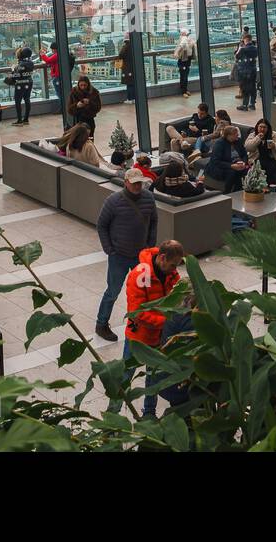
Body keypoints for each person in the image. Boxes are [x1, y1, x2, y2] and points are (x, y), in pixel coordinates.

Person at [121, 240, 185, 418]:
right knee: (125, 376)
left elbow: (179, 295)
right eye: (172, 265)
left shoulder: (171, 274)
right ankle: (113, 412)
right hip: (138, 337)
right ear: (162, 258)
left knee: (153, 376)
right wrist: (168, 323)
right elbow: (137, 313)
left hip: (159, 336)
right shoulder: (139, 275)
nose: (175, 270)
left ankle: (149, 414)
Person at [94, 168, 158, 342]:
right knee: (113, 291)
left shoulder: (149, 198)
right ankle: (101, 323)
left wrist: (150, 247)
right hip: (119, 256)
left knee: (144, 292)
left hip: (141, 257)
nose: (138, 186)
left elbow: (153, 222)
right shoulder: (113, 201)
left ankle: (143, 323)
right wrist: (109, 249)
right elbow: (101, 225)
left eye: (140, 182)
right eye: (134, 182)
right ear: (126, 183)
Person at [203, 124, 249, 194]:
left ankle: (239, 190)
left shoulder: (238, 141)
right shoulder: (219, 143)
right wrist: (231, 166)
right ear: (228, 135)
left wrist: (244, 162)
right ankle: (227, 192)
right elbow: (216, 161)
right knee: (232, 172)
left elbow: (244, 154)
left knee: (246, 170)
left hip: (237, 163)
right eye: (235, 134)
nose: (237, 135)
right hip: (222, 166)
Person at [244, 118, 276, 188]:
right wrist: (258, 138)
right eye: (260, 127)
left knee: (273, 169)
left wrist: (274, 145)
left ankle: (270, 188)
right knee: (259, 167)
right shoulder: (253, 135)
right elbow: (248, 147)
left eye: (264, 127)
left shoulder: (272, 135)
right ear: (257, 127)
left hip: (270, 158)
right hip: (256, 159)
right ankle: (260, 188)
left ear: (268, 128)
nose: (262, 129)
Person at [9, 47, 34, 126]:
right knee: (27, 99)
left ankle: (19, 120)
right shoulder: (31, 62)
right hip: (29, 81)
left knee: (17, 100)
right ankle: (26, 119)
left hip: (21, 83)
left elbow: (16, 76)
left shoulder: (21, 64)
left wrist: (13, 69)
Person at [236, 33, 259, 111]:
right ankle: (252, 104)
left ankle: (245, 105)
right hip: (253, 70)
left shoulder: (243, 49)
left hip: (244, 71)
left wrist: (240, 48)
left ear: (245, 39)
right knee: (253, 87)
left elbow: (237, 56)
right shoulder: (255, 48)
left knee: (245, 88)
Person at [39, 43, 63, 112]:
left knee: (59, 93)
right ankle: (63, 107)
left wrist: (42, 54)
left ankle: (62, 108)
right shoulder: (61, 54)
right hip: (59, 76)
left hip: (57, 76)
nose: (52, 51)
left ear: (54, 49)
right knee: (60, 92)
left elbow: (48, 60)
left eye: (52, 49)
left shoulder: (56, 55)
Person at [174, 29, 197, 98]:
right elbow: (182, 45)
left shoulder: (186, 38)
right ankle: (184, 91)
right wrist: (176, 53)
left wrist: (176, 53)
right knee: (184, 76)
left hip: (184, 59)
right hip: (185, 60)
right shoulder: (185, 38)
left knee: (184, 75)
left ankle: (184, 90)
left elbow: (183, 46)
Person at [117, 35, 136, 103]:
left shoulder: (125, 46)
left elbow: (120, 55)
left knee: (129, 84)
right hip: (134, 67)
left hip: (127, 69)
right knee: (133, 84)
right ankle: (134, 98)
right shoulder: (135, 45)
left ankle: (130, 99)